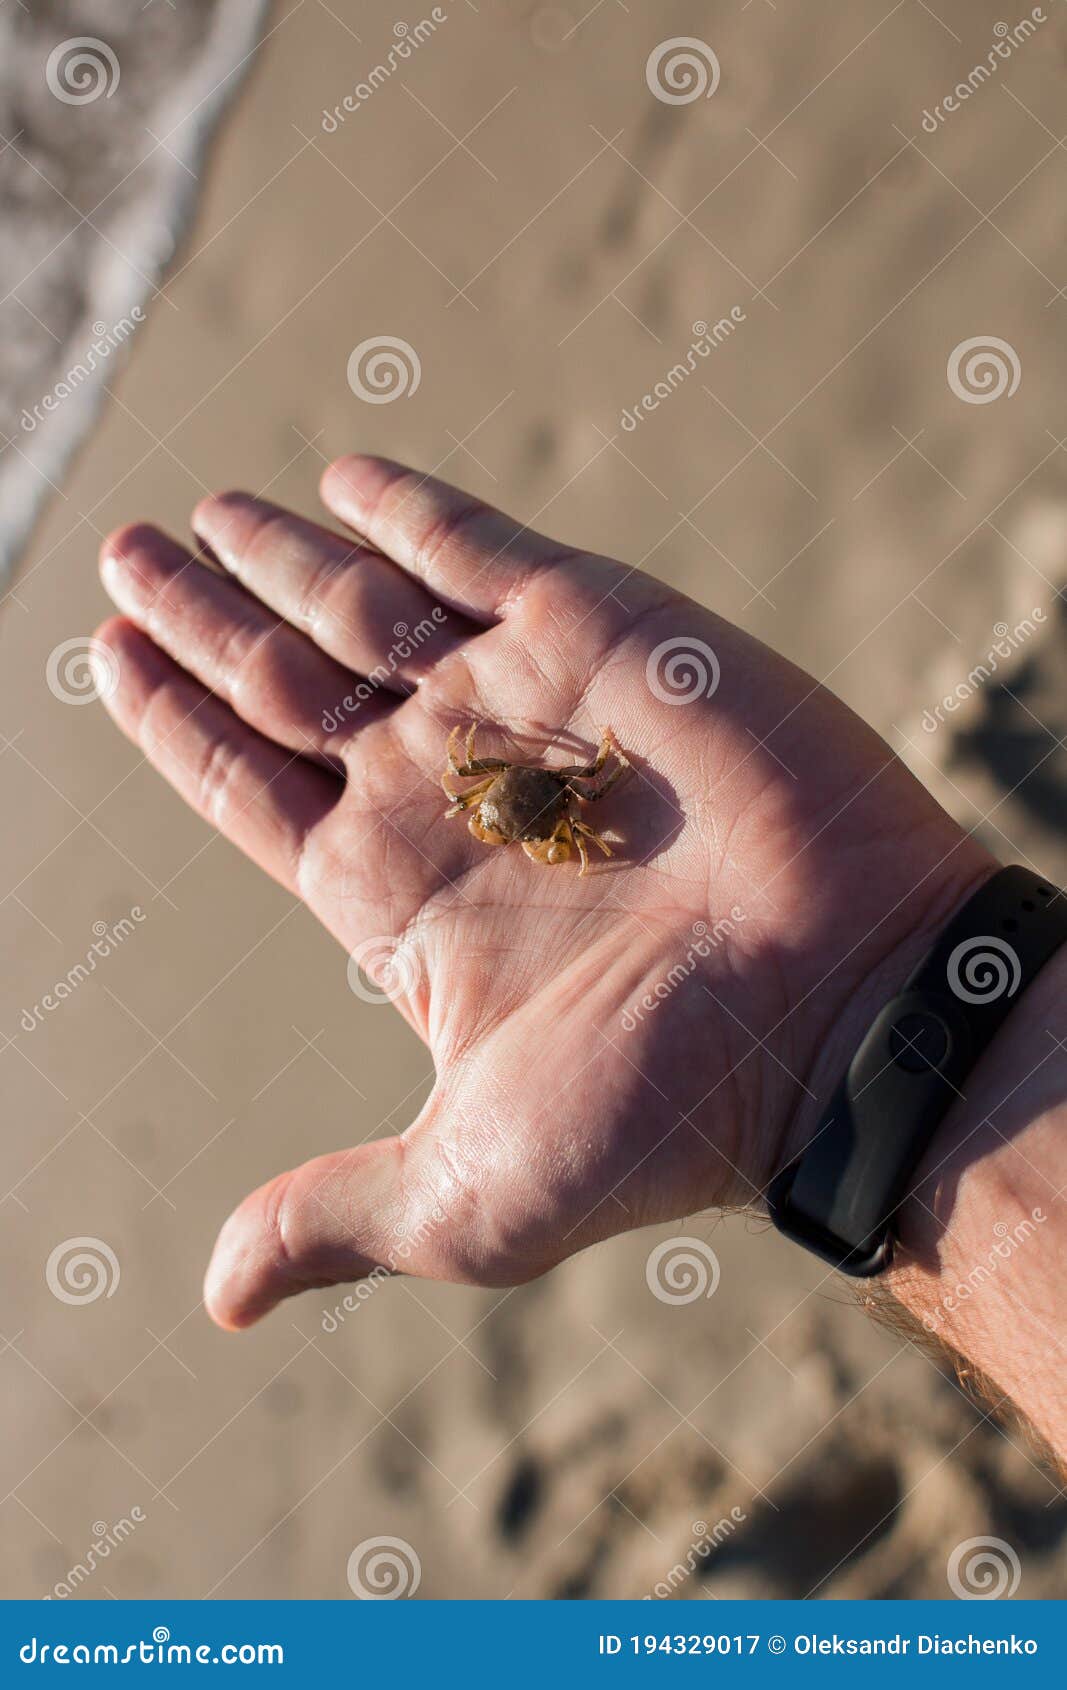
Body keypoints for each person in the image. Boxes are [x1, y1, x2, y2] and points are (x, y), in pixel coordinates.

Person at [94, 455, 1067, 1466]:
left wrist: (853, 1009)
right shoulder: (504, 793)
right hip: (544, 790)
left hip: (548, 792)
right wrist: (882, 977)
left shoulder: (531, 800)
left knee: (559, 807)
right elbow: (498, 785)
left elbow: (552, 796)